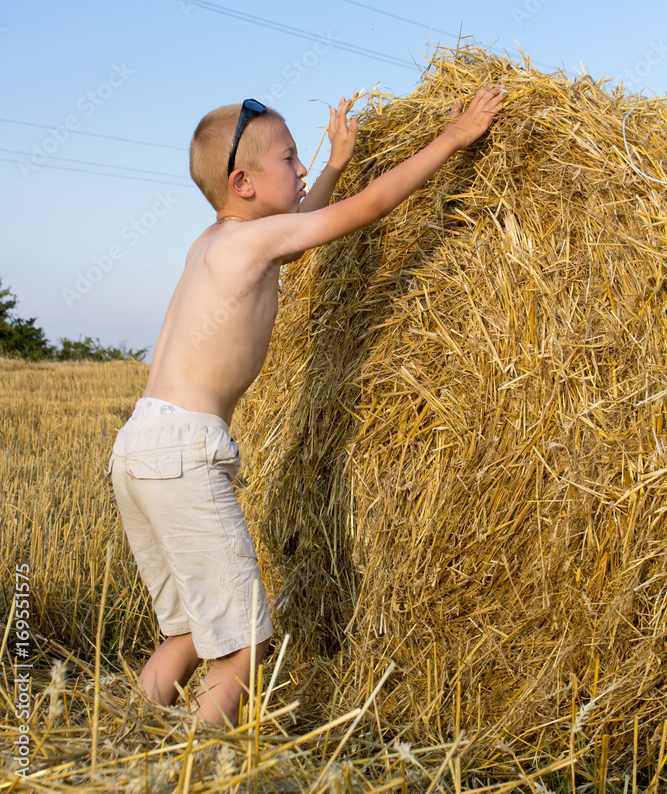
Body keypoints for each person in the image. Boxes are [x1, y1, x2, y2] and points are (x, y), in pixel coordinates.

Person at [107, 85, 506, 727]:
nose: (299, 169)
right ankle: (192, 771)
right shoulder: (248, 246)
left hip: (141, 447)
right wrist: (453, 138)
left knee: (186, 635)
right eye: (292, 158)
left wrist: (333, 166)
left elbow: (295, 236)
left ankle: (119, 745)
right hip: (184, 452)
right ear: (242, 181)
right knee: (242, 649)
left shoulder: (215, 243)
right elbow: (367, 209)